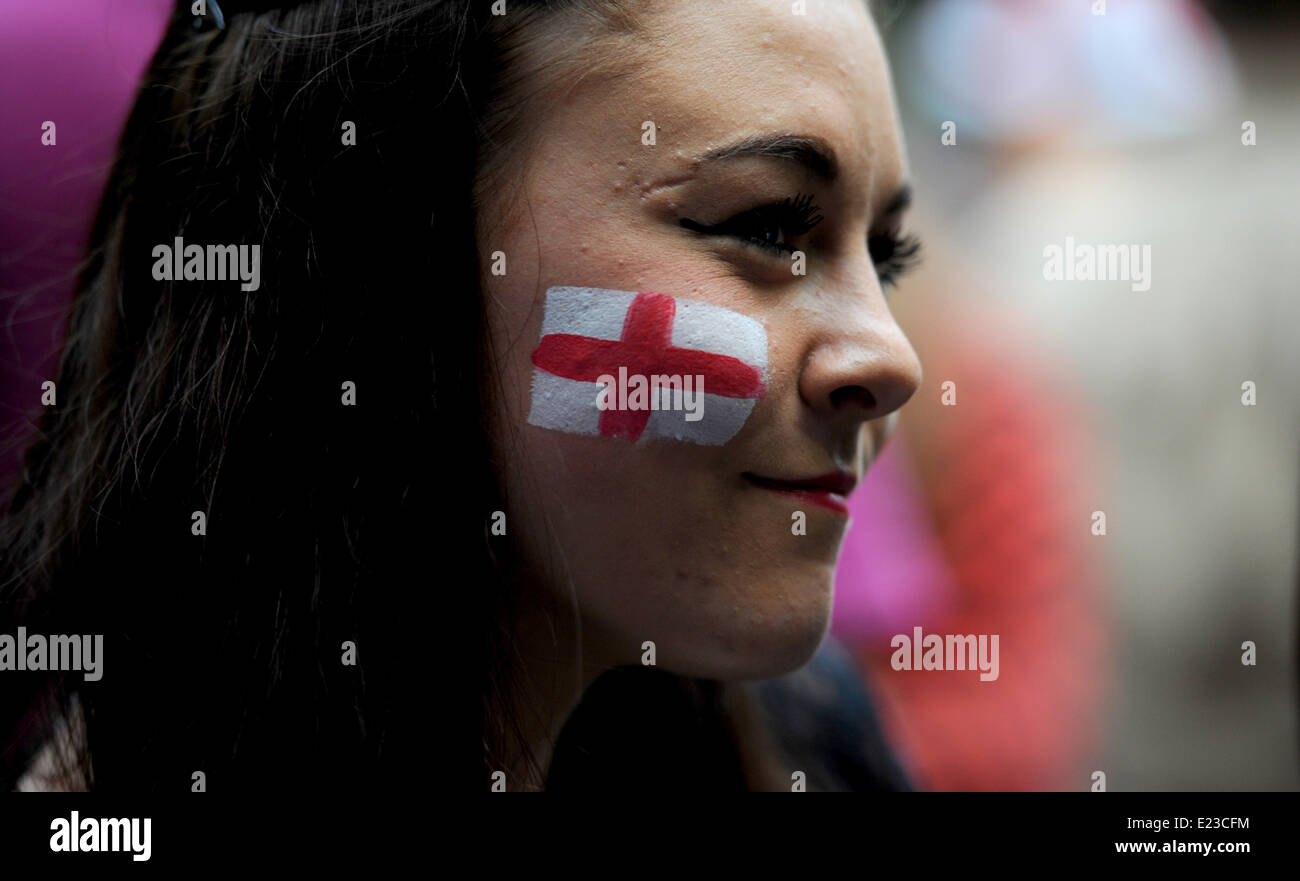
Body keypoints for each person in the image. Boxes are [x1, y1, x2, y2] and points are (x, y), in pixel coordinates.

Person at [0, 0, 923, 792]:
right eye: (765, 223)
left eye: (885, 257)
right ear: (386, 248)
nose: (893, 356)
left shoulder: (816, 745)